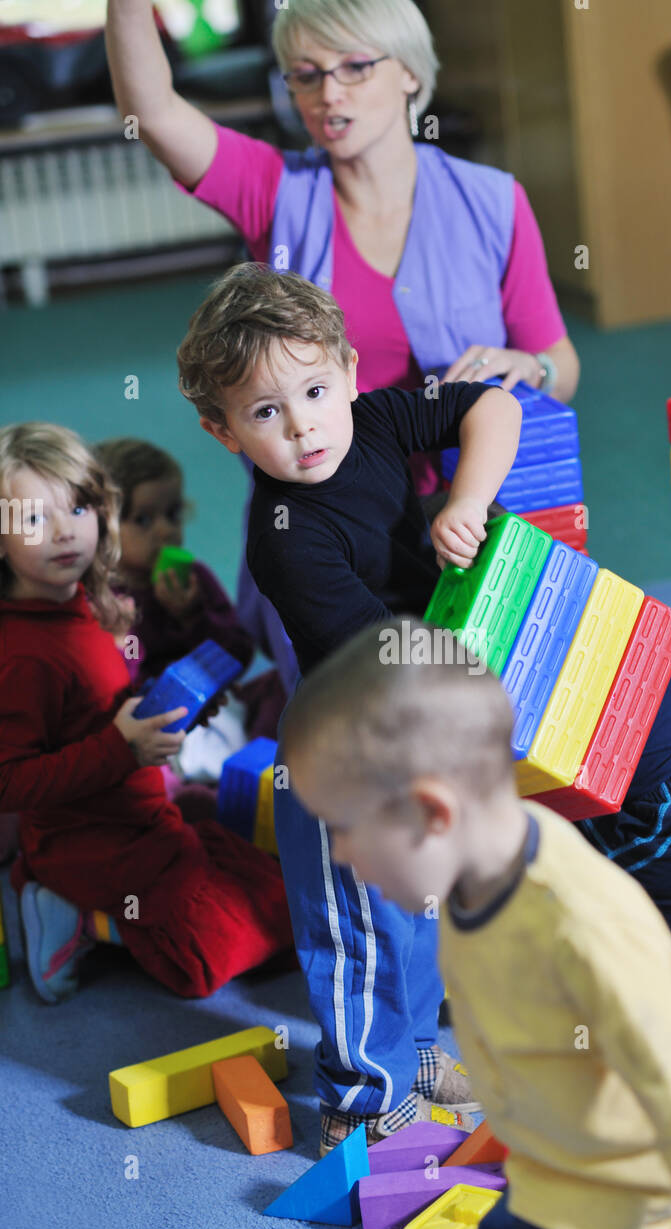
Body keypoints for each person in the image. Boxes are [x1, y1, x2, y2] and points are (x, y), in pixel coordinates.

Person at [277, 618, 671, 1229]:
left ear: (433, 814)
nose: (340, 858)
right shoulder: (475, 874)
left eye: (346, 833)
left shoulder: (583, 928)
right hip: (542, 1184)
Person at [104, 0, 580, 700]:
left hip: (468, 524)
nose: (330, 93)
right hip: (327, 532)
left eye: (356, 67)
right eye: (305, 75)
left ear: (411, 75)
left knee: (508, 721)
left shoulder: (494, 200)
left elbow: (560, 364)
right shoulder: (276, 191)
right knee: (364, 724)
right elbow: (148, 105)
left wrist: (532, 368)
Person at [177, 261, 523, 1153]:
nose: (302, 426)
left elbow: (493, 405)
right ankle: (359, 1102)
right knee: (359, 927)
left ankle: (407, 1057)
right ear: (225, 434)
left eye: (315, 390)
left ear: (351, 371)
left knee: (415, 914)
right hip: (351, 748)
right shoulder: (286, 543)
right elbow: (391, 657)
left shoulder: (372, 421)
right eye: (265, 413)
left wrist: (467, 500)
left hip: (416, 714)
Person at [0, 422, 296, 1002]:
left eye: (79, 508)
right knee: (206, 961)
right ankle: (76, 915)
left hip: (147, 814)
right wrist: (121, 747)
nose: (65, 533)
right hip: (89, 843)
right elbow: (10, 780)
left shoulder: (93, 597)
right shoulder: (21, 657)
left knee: (283, 905)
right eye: (35, 519)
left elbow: (210, 653)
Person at [95, 436, 256, 803]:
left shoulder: (193, 579)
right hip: (137, 721)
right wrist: (120, 639)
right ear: (103, 526)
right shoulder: (98, 597)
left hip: (203, 710)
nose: (166, 531)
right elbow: (105, 690)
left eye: (173, 515)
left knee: (248, 730)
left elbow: (239, 651)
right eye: (144, 519)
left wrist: (191, 616)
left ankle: (207, 794)